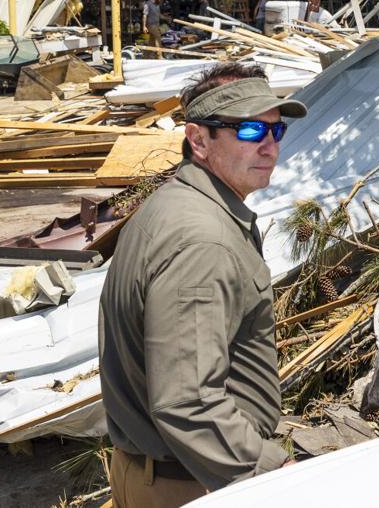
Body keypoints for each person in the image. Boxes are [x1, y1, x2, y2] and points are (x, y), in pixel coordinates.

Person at [99, 62, 307, 506]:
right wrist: (269, 468)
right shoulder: (203, 241)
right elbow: (187, 400)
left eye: (276, 130)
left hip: (174, 472)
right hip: (194, 483)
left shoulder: (182, 206)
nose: (269, 146)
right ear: (198, 139)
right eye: (250, 131)